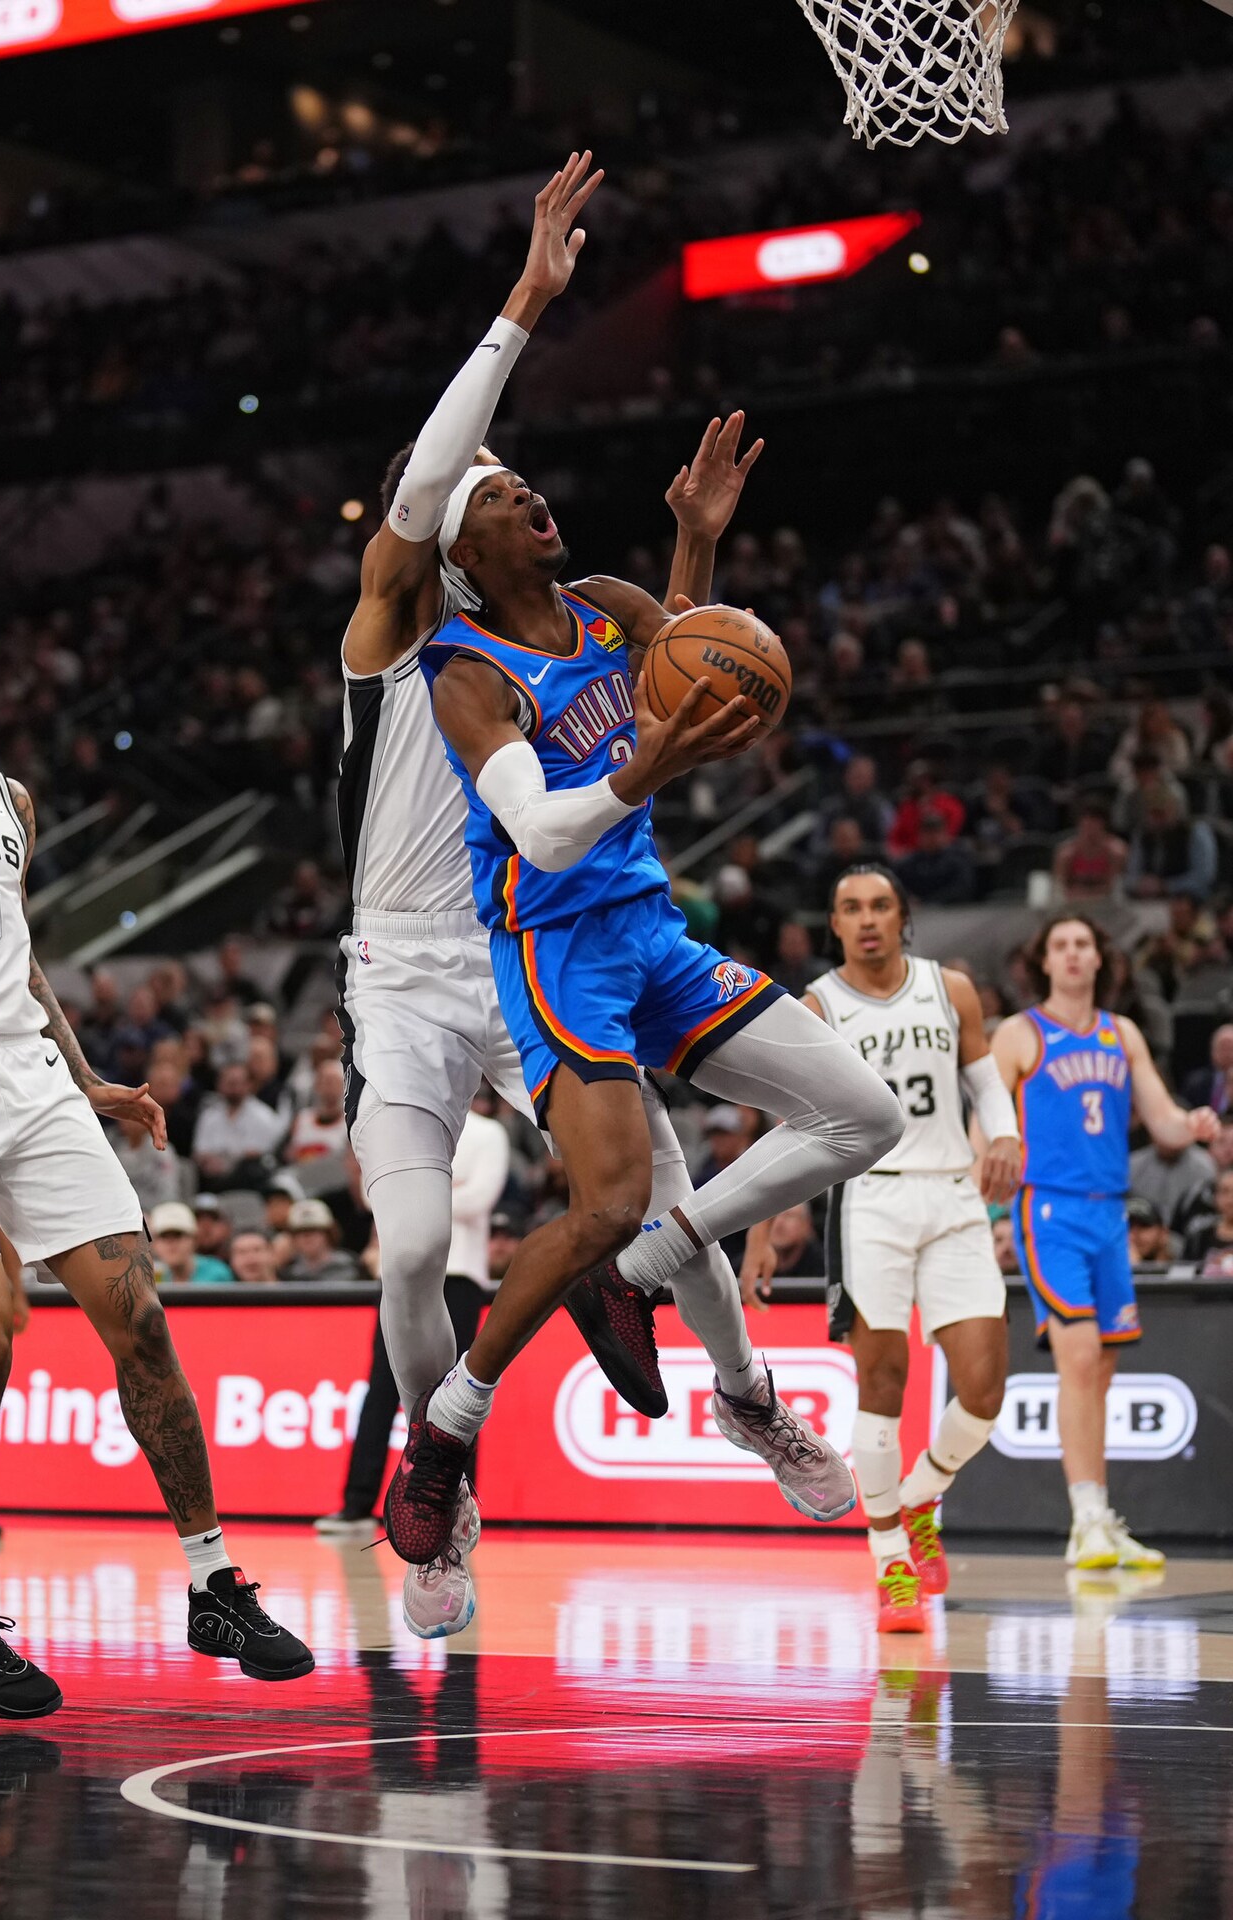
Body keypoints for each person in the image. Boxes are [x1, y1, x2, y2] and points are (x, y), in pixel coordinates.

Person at [332, 153, 853, 1634]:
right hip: (406, 976)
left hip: (540, 941)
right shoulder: (395, 636)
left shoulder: (566, 622)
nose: (501, 492)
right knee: (421, 1247)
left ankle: (747, 1402)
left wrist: (691, 549)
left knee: (665, 1198)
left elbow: (660, 675)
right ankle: (446, 1498)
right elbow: (433, 487)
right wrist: (526, 299)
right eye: (481, 489)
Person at [381, 418, 907, 1566]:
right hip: (552, 950)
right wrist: (641, 769)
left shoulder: (612, 600)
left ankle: (650, 1278)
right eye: (498, 498)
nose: (529, 501)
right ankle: (442, 1438)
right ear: (464, 548)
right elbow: (544, 832)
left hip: (650, 932)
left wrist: (695, 544)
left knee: (867, 1116)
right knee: (605, 1203)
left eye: (527, 485)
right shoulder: (467, 674)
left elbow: (698, 675)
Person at [0, 652, 312, 1716]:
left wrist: (91, 1078)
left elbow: (16, 958)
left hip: (30, 1083)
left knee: (143, 1321)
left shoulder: (4, 797)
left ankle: (212, 1581)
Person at [746, 864, 1019, 1632]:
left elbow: (984, 1079)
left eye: (880, 905)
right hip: (872, 1199)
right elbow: (791, 1122)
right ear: (834, 924)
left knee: (985, 1391)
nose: (867, 919)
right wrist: (762, 1232)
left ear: (903, 916)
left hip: (955, 1195)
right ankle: (890, 1557)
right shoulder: (818, 1006)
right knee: (884, 1384)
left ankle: (920, 1494)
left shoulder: (951, 987)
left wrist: (1005, 1132)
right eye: (850, 908)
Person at [992, 915, 1219, 1573]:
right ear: (1043, 961)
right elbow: (990, 1125)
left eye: (1082, 944)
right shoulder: (1020, 1034)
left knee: (1104, 1368)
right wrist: (984, 1193)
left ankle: (1098, 1517)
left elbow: (1164, 1122)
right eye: (1059, 945)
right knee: (1080, 1355)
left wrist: (1193, 1122)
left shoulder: (1123, 1034)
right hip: (1049, 1208)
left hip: (1110, 1216)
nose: (1071, 954)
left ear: (1100, 959)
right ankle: (1085, 1519)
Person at [314, 1101, 509, 1565]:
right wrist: (444, 1192)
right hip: (401, 1272)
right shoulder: (405, 1123)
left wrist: (415, 1199)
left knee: (461, 1392)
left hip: (460, 1273)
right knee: (381, 1387)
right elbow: (369, 1195)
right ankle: (358, 1503)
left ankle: (457, 1505)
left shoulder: (487, 1133)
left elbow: (481, 1197)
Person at [191, 1060, 286, 1187]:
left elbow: (260, 1153)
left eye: (236, 1083)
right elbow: (199, 1151)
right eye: (228, 1083)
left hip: (248, 1178)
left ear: (249, 1085)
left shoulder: (263, 1117)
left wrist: (229, 1162)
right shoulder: (209, 1115)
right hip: (213, 1177)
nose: (233, 1088)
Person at [1052, 804, 1127, 902]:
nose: (1089, 828)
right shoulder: (1066, 853)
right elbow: (1060, 887)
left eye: (1094, 823)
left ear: (1103, 824)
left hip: (1105, 903)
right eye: (1086, 824)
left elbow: (1113, 887)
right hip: (1073, 903)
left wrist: (1087, 895)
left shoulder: (1116, 852)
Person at [149, 1203, 235, 1285]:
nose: (171, 1243)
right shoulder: (152, 1276)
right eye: (163, 1237)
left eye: (178, 1235)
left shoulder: (217, 1274)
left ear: (194, 1239)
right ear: (154, 1244)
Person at [278, 1199, 360, 1283]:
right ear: (293, 1238)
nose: (307, 1237)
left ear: (328, 1234)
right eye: (300, 1232)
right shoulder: (289, 1275)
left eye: (313, 1229)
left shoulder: (353, 1266)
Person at [288, 1059, 349, 1162]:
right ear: (316, 1085)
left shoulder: (350, 1123)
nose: (330, 1088)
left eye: (335, 1082)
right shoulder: (302, 1118)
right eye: (326, 1082)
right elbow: (289, 1154)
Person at [1182, 1168, 1233, 1275]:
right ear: (1215, 1197)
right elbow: (1185, 1271)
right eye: (1225, 1191)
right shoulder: (1199, 1234)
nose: (1231, 1199)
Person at [1180, 1024, 1233, 1116]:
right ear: (1213, 1051)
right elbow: (1184, 1111)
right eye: (1223, 1048)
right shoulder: (1195, 1081)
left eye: (1230, 1048)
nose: (1227, 1054)